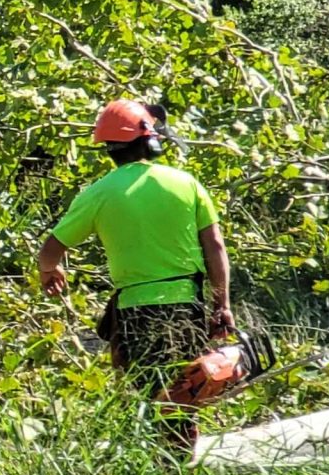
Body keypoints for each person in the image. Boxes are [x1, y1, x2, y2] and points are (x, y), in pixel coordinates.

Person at [38, 98, 235, 392]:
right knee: (184, 395)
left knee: (140, 396)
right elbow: (216, 247)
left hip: (134, 312)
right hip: (187, 306)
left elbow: (49, 253)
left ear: (110, 149)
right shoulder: (186, 183)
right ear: (149, 141)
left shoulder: (98, 194)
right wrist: (222, 305)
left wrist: (48, 272)